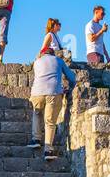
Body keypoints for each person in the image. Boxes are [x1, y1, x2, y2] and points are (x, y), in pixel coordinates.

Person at [29, 18, 76, 160]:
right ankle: (48, 150)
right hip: (53, 92)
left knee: (37, 114)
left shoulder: (36, 62)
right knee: (50, 121)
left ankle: (35, 140)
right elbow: (72, 78)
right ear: (53, 53)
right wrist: (70, 88)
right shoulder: (59, 60)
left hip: (36, 92)